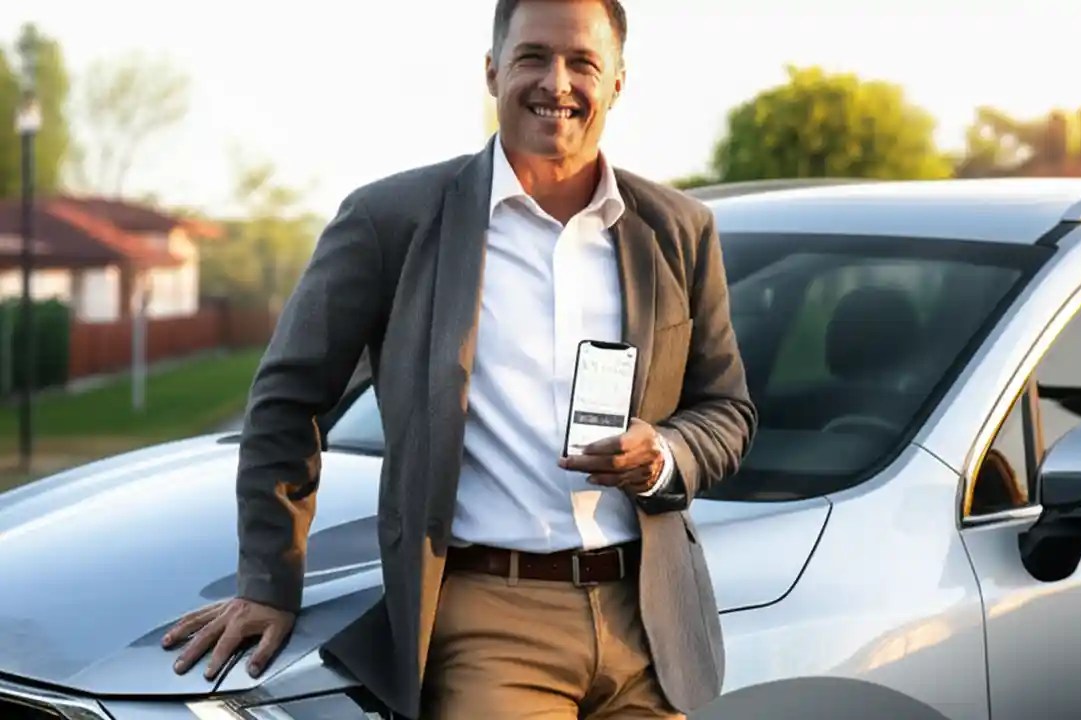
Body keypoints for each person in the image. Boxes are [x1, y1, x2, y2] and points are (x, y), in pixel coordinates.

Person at [161, 0, 756, 718]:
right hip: (489, 622)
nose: (557, 82)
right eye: (533, 56)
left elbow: (727, 410)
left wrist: (663, 454)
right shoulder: (392, 220)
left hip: (649, 624)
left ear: (619, 83)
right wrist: (268, 579)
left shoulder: (680, 230)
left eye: (582, 63)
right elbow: (287, 399)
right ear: (492, 70)